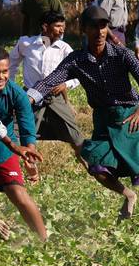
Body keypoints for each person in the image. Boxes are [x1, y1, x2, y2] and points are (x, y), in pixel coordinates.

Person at [28, 5, 139, 225]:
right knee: (96, 167)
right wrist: (27, 99)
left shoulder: (122, 54)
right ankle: (128, 194)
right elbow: (49, 81)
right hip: (103, 120)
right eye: (94, 27)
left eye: (103, 26)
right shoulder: (76, 60)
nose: (99, 31)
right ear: (84, 30)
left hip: (131, 119)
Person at [10, 11, 85, 163]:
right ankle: (21, 168)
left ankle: (91, 166)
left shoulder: (64, 48)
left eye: (63, 26)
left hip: (54, 98)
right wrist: (10, 89)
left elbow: (78, 74)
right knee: (16, 134)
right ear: (45, 27)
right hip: (30, 99)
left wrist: (65, 84)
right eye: (57, 26)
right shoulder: (26, 44)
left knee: (77, 138)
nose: (62, 30)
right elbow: (11, 65)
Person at [0, 47, 48, 240]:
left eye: (4, 71)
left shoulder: (17, 94)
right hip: (7, 143)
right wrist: (14, 146)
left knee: (18, 193)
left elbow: (26, 127)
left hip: (1, 149)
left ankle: (44, 242)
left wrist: (29, 155)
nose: (0, 76)